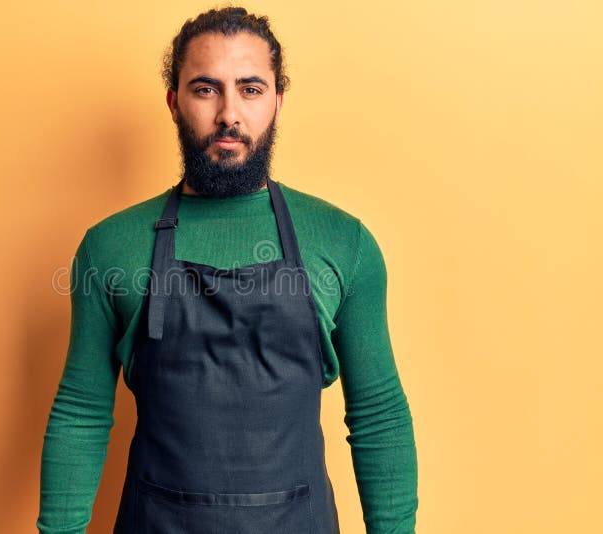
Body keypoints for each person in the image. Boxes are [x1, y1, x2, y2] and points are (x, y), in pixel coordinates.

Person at [37, 6, 418, 534]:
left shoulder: (342, 242)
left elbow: (379, 415)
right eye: (205, 89)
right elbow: (81, 413)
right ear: (174, 103)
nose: (229, 114)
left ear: (278, 102)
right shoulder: (110, 248)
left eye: (251, 89)